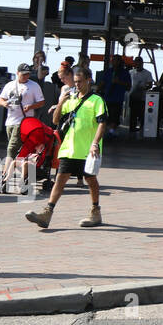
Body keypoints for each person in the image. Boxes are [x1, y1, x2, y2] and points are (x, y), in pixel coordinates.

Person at [24, 65, 108, 229]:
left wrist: (95, 143)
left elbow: (102, 124)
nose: (77, 85)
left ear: (88, 80)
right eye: (75, 82)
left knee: (90, 180)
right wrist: (61, 102)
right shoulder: (71, 99)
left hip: (87, 150)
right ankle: (47, 213)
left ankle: (95, 211)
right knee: (60, 180)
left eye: (80, 82)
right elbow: (55, 120)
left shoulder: (97, 101)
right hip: (69, 148)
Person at [0, 63, 46, 193]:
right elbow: (0, 100)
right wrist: (5, 103)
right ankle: (21, 179)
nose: (26, 76)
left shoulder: (34, 86)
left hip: (24, 123)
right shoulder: (10, 85)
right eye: (24, 74)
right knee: (19, 152)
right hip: (10, 122)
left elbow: (41, 102)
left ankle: (4, 179)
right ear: (17, 73)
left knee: (11, 150)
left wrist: (30, 107)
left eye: (28, 74)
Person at [97, 56, 131, 133]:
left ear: (119, 62)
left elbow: (129, 86)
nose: (112, 62)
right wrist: (97, 90)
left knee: (115, 117)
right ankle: (106, 132)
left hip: (117, 98)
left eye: (114, 60)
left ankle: (111, 132)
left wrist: (119, 82)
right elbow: (103, 82)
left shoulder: (125, 73)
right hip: (107, 97)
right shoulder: (108, 71)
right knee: (106, 116)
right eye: (112, 61)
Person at [128, 56, 154, 136]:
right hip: (132, 96)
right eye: (136, 62)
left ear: (142, 63)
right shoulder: (130, 72)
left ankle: (142, 127)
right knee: (133, 113)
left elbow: (150, 84)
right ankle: (132, 128)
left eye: (139, 62)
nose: (138, 64)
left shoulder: (147, 73)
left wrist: (144, 87)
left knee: (142, 113)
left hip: (142, 97)